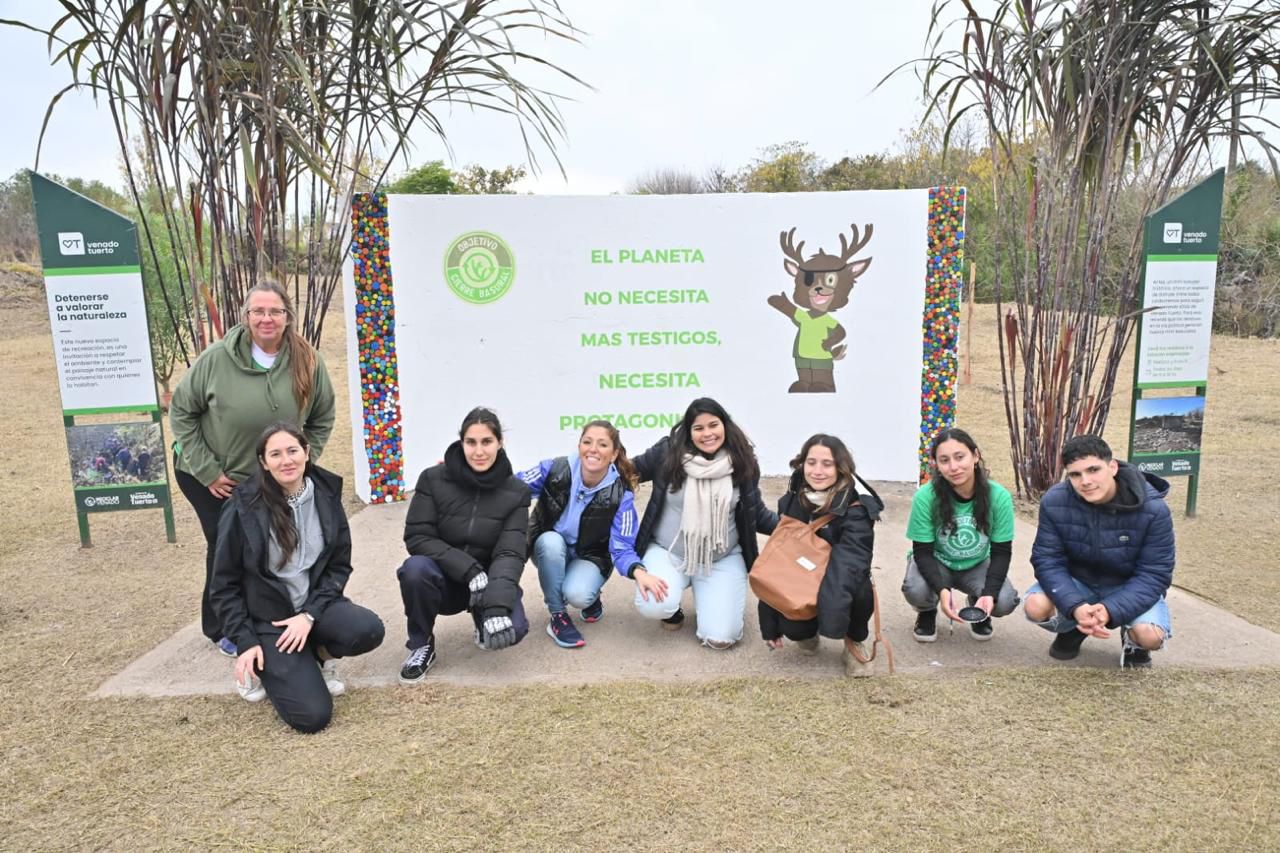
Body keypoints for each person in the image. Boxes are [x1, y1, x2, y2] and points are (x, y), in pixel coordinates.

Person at [170, 280, 336, 658]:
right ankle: (222, 628)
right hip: (215, 476)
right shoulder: (216, 359)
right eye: (258, 311)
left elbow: (323, 415)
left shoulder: (307, 360)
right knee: (226, 547)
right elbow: (182, 411)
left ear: (287, 316)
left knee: (266, 547)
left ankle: (272, 617)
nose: (266, 318)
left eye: (275, 311)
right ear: (245, 317)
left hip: (273, 476)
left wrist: (303, 462)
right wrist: (208, 470)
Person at [209, 422, 385, 733]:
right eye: (275, 454)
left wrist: (309, 614)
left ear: (306, 452)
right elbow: (224, 584)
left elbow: (338, 566)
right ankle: (267, 666)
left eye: (292, 451)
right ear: (263, 462)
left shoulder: (326, 495)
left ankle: (318, 653)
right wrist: (245, 641)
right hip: (270, 621)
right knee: (312, 717)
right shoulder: (242, 508)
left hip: (314, 608)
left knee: (368, 629)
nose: (286, 460)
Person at [396, 407, 532, 682]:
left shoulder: (516, 492)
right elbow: (418, 536)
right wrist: (469, 570)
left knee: (513, 630)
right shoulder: (432, 479)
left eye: (486, 442)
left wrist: (495, 607)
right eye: (471, 442)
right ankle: (421, 644)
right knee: (414, 569)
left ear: (499, 443)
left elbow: (510, 553)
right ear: (461, 442)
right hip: (445, 579)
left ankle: (482, 615)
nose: (479, 451)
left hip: (488, 584)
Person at [629, 398, 777, 649]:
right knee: (655, 605)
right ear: (688, 431)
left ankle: (708, 595)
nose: (707, 433)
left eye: (713, 425)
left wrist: (798, 527)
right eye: (698, 428)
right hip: (669, 552)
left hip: (721, 557)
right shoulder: (668, 453)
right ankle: (672, 609)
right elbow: (627, 471)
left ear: (725, 426)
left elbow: (757, 513)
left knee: (721, 638)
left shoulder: (743, 461)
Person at [1026, 435, 1175, 668]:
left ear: (1112, 466)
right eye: (1075, 474)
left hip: (1126, 584)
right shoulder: (1055, 501)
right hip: (1079, 583)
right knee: (1035, 606)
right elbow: (1047, 560)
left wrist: (1110, 609)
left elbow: (1155, 574)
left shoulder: (1154, 509)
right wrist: (1075, 606)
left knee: (1149, 635)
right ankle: (1074, 627)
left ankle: (1133, 642)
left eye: (1093, 469)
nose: (1085, 481)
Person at [759, 434, 885, 676]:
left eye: (827, 464)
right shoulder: (791, 500)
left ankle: (854, 640)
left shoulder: (857, 508)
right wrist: (770, 624)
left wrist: (833, 624)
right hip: (803, 576)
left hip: (839, 578)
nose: (818, 471)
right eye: (811, 462)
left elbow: (848, 564)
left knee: (861, 591)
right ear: (802, 464)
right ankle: (808, 631)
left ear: (840, 468)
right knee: (794, 629)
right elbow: (778, 561)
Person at [519, 420, 642, 648]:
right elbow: (513, 486)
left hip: (591, 556)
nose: (593, 449)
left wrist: (639, 571)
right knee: (550, 541)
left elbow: (623, 546)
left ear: (614, 454)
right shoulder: (555, 468)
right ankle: (558, 616)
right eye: (587, 442)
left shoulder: (621, 494)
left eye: (602, 444)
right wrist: (466, 478)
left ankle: (591, 595)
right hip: (551, 550)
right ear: (579, 447)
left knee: (578, 594)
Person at [902, 427, 1020, 642]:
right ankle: (927, 611)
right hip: (936, 561)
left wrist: (989, 593)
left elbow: (1002, 552)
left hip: (976, 564)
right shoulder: (925, 497)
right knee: (915, 589)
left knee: (1004, 601)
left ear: (975, 456)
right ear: (936, 465)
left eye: (960, 457)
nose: (953, 467)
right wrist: (942, 590)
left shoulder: (999, 496)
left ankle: (978, 604)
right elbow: (923, 552)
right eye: (944, 460)